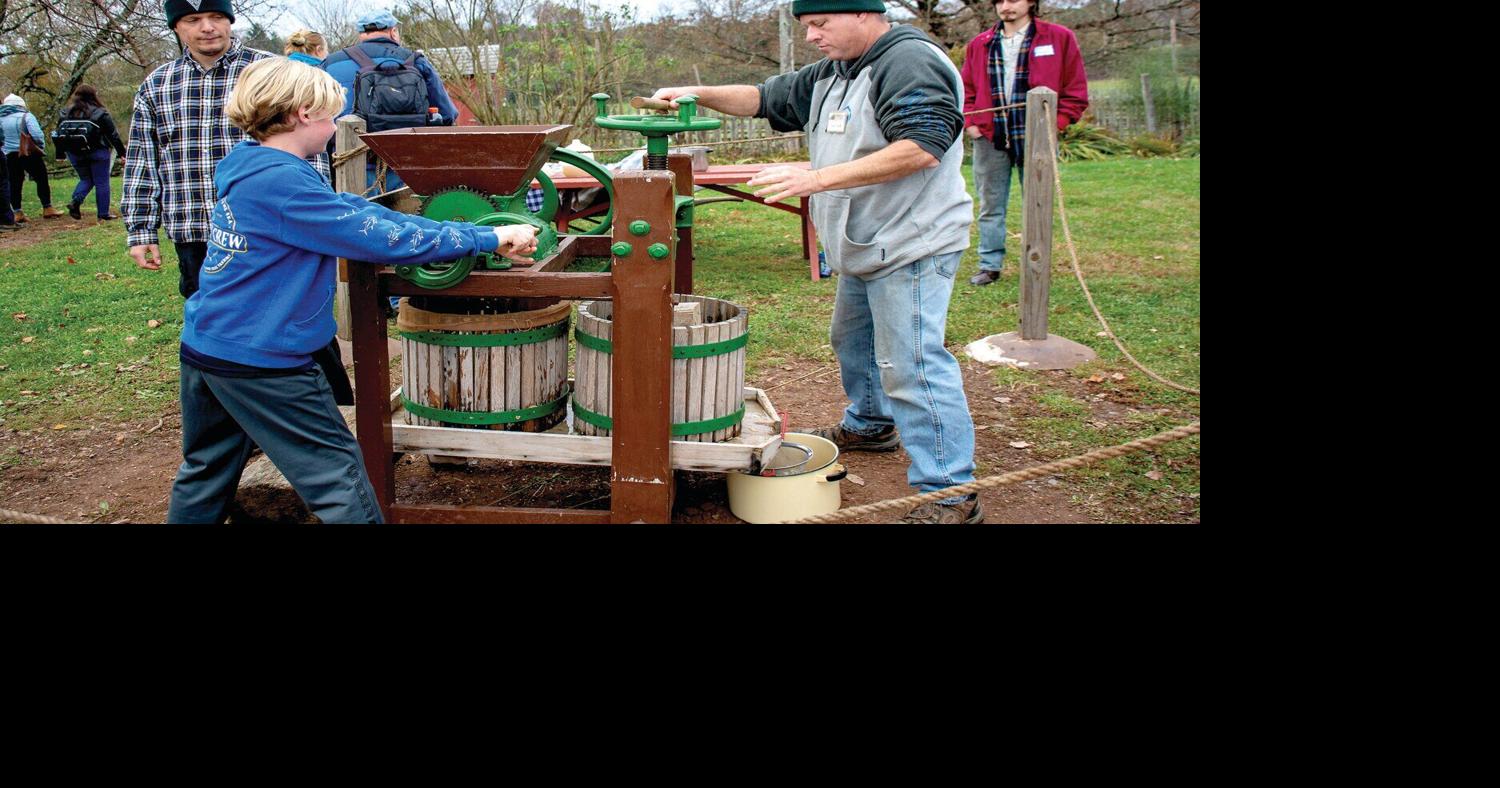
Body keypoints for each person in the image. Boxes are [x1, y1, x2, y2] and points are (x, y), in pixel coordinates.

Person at [167, 57, 539, 523]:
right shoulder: (283, 183)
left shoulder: (251, 164)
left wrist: (447, 227)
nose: (333, 127)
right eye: (330, 117)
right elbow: (382, 238)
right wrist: (488, 237)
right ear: (304, 114)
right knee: (336, 477)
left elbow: (352, 211)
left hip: (208, 346)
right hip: (263, 359)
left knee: (205, 469)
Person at [652, 0, 982, 524]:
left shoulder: (908, 61)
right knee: (852, 341)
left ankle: (948, 493)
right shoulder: (834, 71)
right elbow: (764, 97)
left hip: (911, 243)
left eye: (820, 24)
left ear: (862, 15)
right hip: (863, 242)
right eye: (807, 26)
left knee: (912, 365)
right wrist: (698, 93)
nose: (811, 37)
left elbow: (922, 146)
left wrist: (817, 178)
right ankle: (871, 425)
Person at [123, 0, 331, 299]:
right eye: (193, 19)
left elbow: (311, 145)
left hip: (268, 227)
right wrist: (141, 229)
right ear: (176, 27)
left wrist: (315, 211)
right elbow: (143, 160)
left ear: (229, 20)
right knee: (211, 318)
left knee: (284, 312)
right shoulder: (157, 85)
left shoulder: (274, 73)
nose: (207, 27)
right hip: (194, 226)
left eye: (216, 16)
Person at [960, 0, 1087, 286]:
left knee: (1038, 201)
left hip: (1037, 136)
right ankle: (989, 265)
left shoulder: (1058, 37)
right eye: (1000, 1)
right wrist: (971, 123)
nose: (1006, 6)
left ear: (1031, 2)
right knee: (991, 204)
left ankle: (1037, 262)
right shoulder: (980, 43)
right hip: (991, 135)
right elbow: (965, 87)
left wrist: (1056, 124)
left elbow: (1075, 89)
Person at [320, 9, 459, 193]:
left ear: (361, 33)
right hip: (407, 166)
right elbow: (448, 114)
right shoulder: (416, 62)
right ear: (393, 31)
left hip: (351, 164)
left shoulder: (331, 64)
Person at [53, 84, 127, 222]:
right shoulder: (100, 112)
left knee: (86, 179)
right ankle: (103, 213)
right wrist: (123, 153)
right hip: (97, 151)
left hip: (74, 153)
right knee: (102, 182)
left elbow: (59, 134)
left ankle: (76, 201)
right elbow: (113, 135)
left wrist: (60, 154)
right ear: (93, 96)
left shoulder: (65, 112)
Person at [1, 94, 61, 222]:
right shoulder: (26, 116)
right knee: (41, 179)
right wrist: (40, 147)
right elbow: (37, 135)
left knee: (14, 183)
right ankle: (47, 207)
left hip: (9, 155)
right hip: (28, 153)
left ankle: (17, 211)